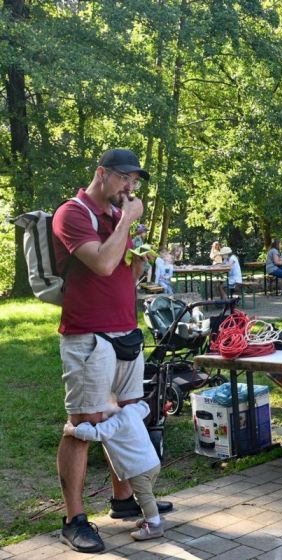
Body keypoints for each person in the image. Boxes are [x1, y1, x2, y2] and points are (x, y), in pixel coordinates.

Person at [52, 148, 172, 553]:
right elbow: (101, 265)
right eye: (125, 178)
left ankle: (123, 501)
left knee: (124, 417)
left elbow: (124, 274)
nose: (130, 187)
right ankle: (73, 519)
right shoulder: (73, 213)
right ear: (101, 174)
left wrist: (140, 256)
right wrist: (126, 221)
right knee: (83, 426)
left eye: (135, 181)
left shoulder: (114, 218)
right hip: (88, 336)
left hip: (126, 331)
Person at [63, 401, 165, 541]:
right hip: (152, 463)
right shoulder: (131, 410)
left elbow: (94, 433)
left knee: (144, 496)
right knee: (144, 495)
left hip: (139, 469)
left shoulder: (112, 424)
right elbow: (145, 407)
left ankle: (154, 526)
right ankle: (149, 517)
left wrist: (72, 430)